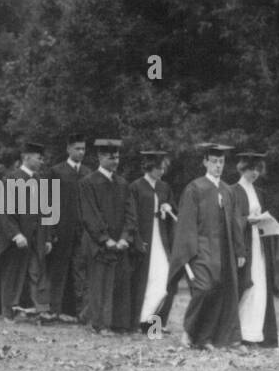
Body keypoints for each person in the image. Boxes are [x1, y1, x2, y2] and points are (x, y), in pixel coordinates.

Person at [168, 143, 247, 350]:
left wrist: (240, 250)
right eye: (214, 161)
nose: (218, 166)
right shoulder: (195, 188)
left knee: (219, 291)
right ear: (205, 162)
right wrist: (188, 252)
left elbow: (236, 223)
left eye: (221, 162)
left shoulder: (228, 191)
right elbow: (186, 223)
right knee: (203, 289)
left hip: (224, 250)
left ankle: (204, 338)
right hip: (201, 248)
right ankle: (188, 330)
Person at [0, 139, 54, 321]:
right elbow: (4, 212)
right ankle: (8, 311)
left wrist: (48, 237)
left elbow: (47, 212)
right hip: (18, 236)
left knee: (35, 272)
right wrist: (16, 234)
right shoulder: (12, 179)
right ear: (26, 157)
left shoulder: (41, 181)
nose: (41, 161)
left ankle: (35, 309)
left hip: (37, 236)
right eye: (38, 157)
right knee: (13, 273)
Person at [78, 139, 135, 334]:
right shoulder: (88, 183)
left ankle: (116, 322)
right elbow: (90, 214)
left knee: (117, 283)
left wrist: (125, 238)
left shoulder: (122, 183)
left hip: (120, 242)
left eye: (117, 157)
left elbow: (130, 214)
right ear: (100, 157)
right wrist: (105, 239)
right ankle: (99, 324)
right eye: (111, 157)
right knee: (99, 283)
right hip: (98, 243)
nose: (115, 161)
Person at [128, 150, 180, 334]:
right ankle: (140, 322)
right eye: (159, 167)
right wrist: (136, 240)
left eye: (164, 168)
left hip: (161, 239)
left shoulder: (164, 187)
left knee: (164, 279)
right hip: (145, 239)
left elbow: (174, 211)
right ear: (149, 166)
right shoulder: (136, 187)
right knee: (145, 281)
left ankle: (155, 325)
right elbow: (131, 216)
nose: (162, 171)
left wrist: (168, 207)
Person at [233, 151, 279, 347]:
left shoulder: (259, 193)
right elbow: (233, 221)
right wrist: (247, 221)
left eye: (258, 170)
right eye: (251, 169)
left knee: (260, 287)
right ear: (243, 168)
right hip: (244, 244)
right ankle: (240, 333)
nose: (254, 173)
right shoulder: (233, 191)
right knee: (247, 286)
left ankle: (255, 334)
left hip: (258, 244)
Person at [47, 133, 88, 322]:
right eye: (77, 148)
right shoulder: (57, 172)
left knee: (80, 270)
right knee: (59, 270)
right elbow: (49, 203)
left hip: (83, 230)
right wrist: (50, 232)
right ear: (68, 149)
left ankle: (78, 311)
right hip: (61, 230)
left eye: (83, 149)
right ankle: (55, 309)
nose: (81, 152)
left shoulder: (88, 173)